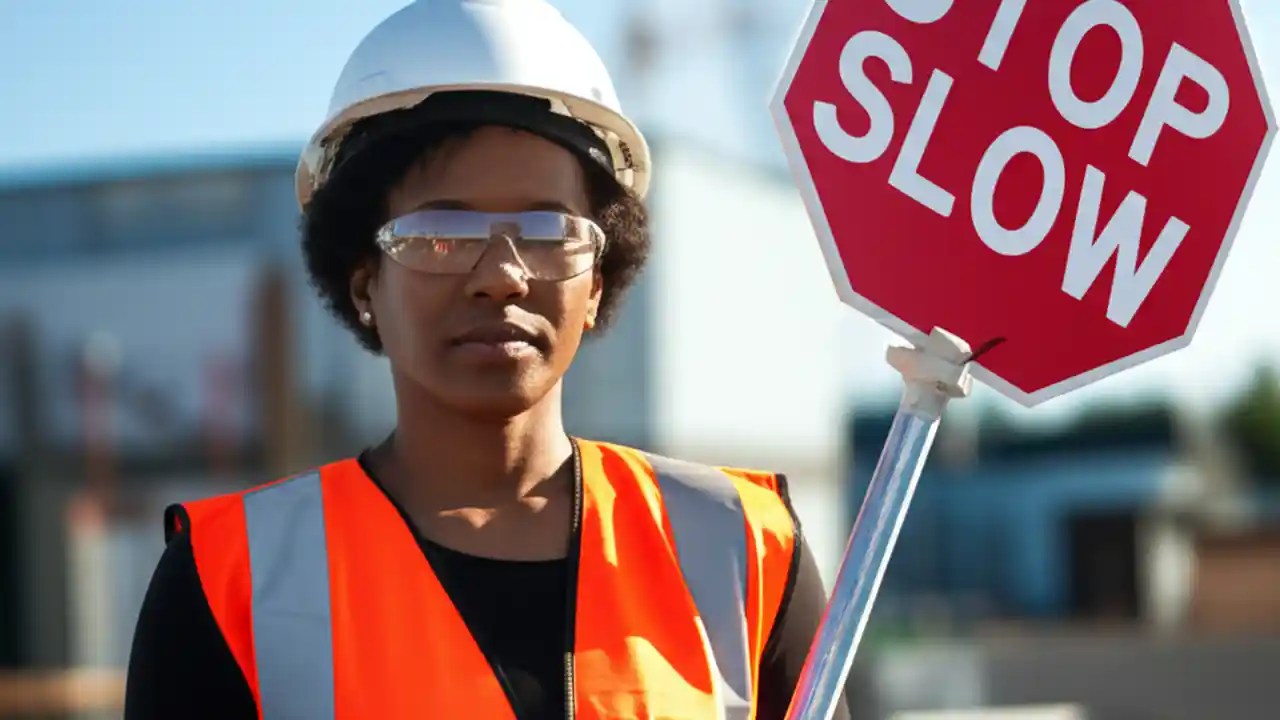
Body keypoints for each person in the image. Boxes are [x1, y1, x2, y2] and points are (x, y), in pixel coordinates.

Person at [124, 1, 853, 718]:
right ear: (363, 283)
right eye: (441, 231)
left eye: (546, 228)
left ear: (596, 282)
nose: (502, 273)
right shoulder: (228, 584)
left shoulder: (747, 552)